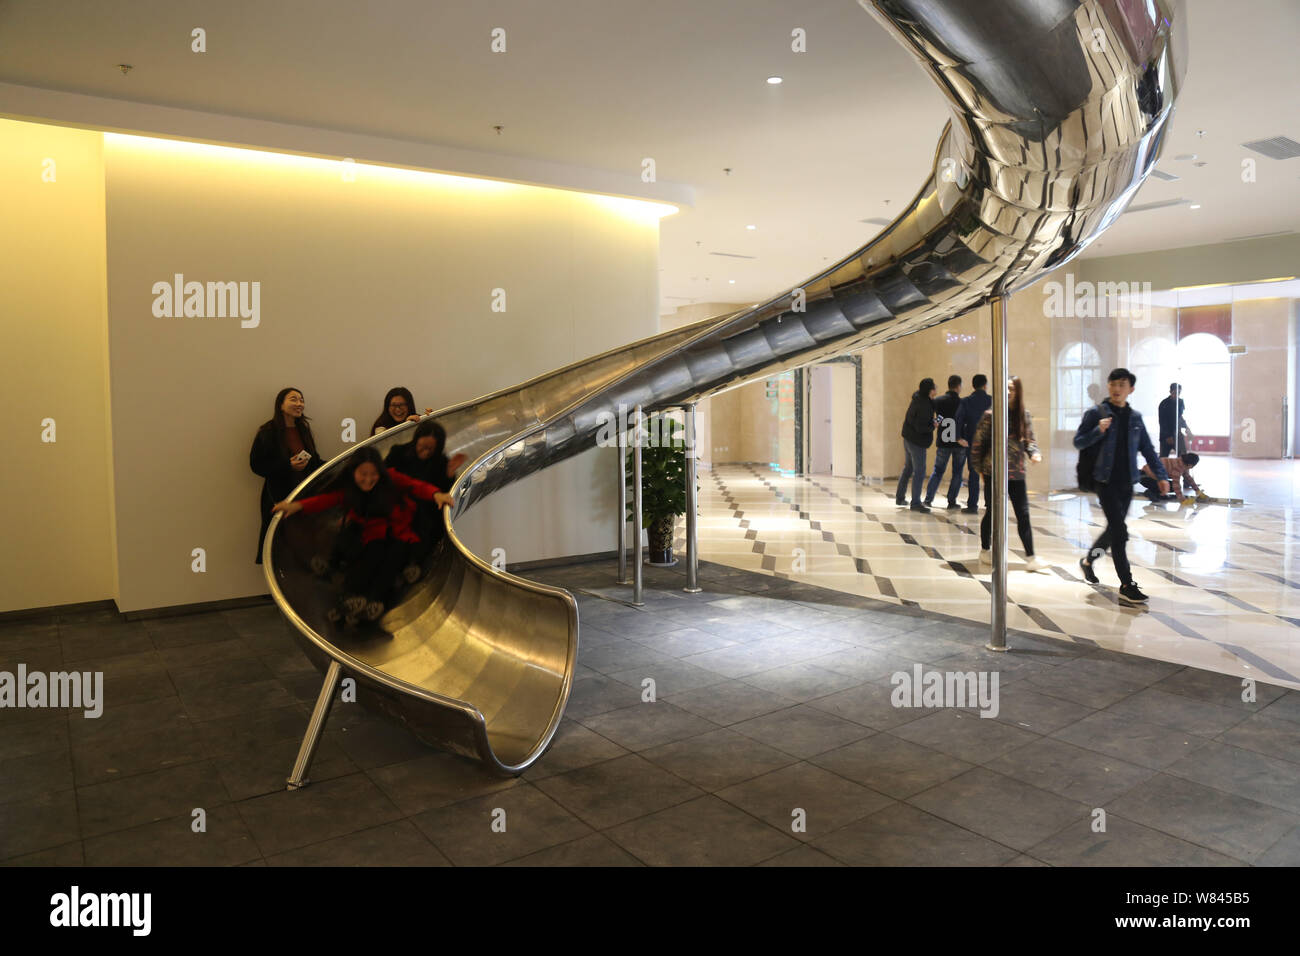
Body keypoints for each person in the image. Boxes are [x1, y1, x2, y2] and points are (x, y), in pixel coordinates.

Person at [273, 447, 454, 624]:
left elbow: (414, 486)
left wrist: (436, 494)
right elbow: (327, 500)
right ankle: (350, 600)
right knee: (370, 557)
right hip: (373, 533)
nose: (368, 480)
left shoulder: (389, 479)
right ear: (353, 472)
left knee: (391, 559)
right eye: (363, 474)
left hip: (398, 530)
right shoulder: (349, 488)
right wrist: (296, 506)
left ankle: (374, 600)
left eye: (373, 474)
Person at [1075, 368, 1170, 606]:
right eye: (1113, 384)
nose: (1117, 389)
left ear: (1131, 389)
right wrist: (1099, 429)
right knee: (1119, 532)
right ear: (1108, 386)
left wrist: (1161, 476)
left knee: (1113, 531)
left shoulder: (1135, 417)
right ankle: (1127, 584)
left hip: (1127, 482)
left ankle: (1088, 561)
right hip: (1104, 481)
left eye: (1122, 385)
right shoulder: (1095, 414)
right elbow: (1079, 441)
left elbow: (1147, 448)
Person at [971, 377, 1044, 572]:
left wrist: (1034, 453)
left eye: (1012, 389)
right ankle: (985, 550)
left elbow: (1030, 441)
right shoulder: (990, 416)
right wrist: (978, 469)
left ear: (1018, 391)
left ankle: (1031, 556)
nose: (1009, 392)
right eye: (1005, 388)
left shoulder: (1024, 415)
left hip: (1017, 473)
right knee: (992, 512)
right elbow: (978, 444)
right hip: (993, 472)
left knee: (1023, 514)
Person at [250, 387, 324, 564]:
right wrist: (287, 465)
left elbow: (314, 461)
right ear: (281, 405)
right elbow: (256, 465)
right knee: (279, 545)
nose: (299, 404)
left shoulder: (304, 430)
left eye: (301, 400)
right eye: (293, 399)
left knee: (304, 544)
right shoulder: (268, 431)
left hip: (303, 495)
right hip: (278, 495)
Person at [385, 419, 468, 556]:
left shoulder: (441, 462)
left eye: (430, 449)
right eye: (422, 446)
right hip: (397, 504)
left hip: (424, 511)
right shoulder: (398, 452)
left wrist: (449, 474)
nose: (425, 452)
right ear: (416, 440)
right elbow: (384, 477)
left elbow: (444, 494)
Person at [923, 374, 965, 509]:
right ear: (958, 386)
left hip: (943, 441)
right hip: (958, 442)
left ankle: (928, 499)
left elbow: (936, 418)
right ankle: (951, 501)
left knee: (938, 470)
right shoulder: (962, 402)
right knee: (957, 472)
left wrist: (937, 422)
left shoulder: (939, 401)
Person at [896, 378, 937, 513]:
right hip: (917, 442)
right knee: (919, 471)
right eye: (934, 387)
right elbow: (921, 427)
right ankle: (916, 503)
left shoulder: (917, 398)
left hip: (908, 438)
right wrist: (933, 425)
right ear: (930, 390)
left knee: (908, 468)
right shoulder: (924, 405)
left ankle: (900, 497)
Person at [955, 374, 991, 514]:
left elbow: (958, 419)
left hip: (972, 442)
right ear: (985, 385)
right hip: (989, 443)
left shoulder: (966, 401)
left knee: (974, 474)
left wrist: (958, 437)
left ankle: (972, 505)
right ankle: (990, 503)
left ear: (973, 386)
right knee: (989, 474)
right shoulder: (991, 400)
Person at [1140, 452, 1205, 502]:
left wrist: (1197, 491)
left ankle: (1158, 494)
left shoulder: (1182, 463)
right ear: (1190, 464)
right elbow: (1176, 484)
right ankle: (1150, 492)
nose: (1192, 468)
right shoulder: (1178, 467)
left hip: (1151, 477)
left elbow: (1188, 478)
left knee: (1169, 486)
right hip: (1145, 476)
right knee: (1171, 486)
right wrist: (1182, 500)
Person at [1157, 383, 1193, 456]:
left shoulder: (1180, 402)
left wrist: (1187, 428)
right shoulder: (1164, 404)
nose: (1177, 395)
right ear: (1170, 392)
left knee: (1183, 458)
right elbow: (1162, 421)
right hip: (1165, 436)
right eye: (1175, 393)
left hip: (1178, 434)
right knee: (1163, 459)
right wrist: (1167, 436)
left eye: (1179, 393)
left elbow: (1179, 417)